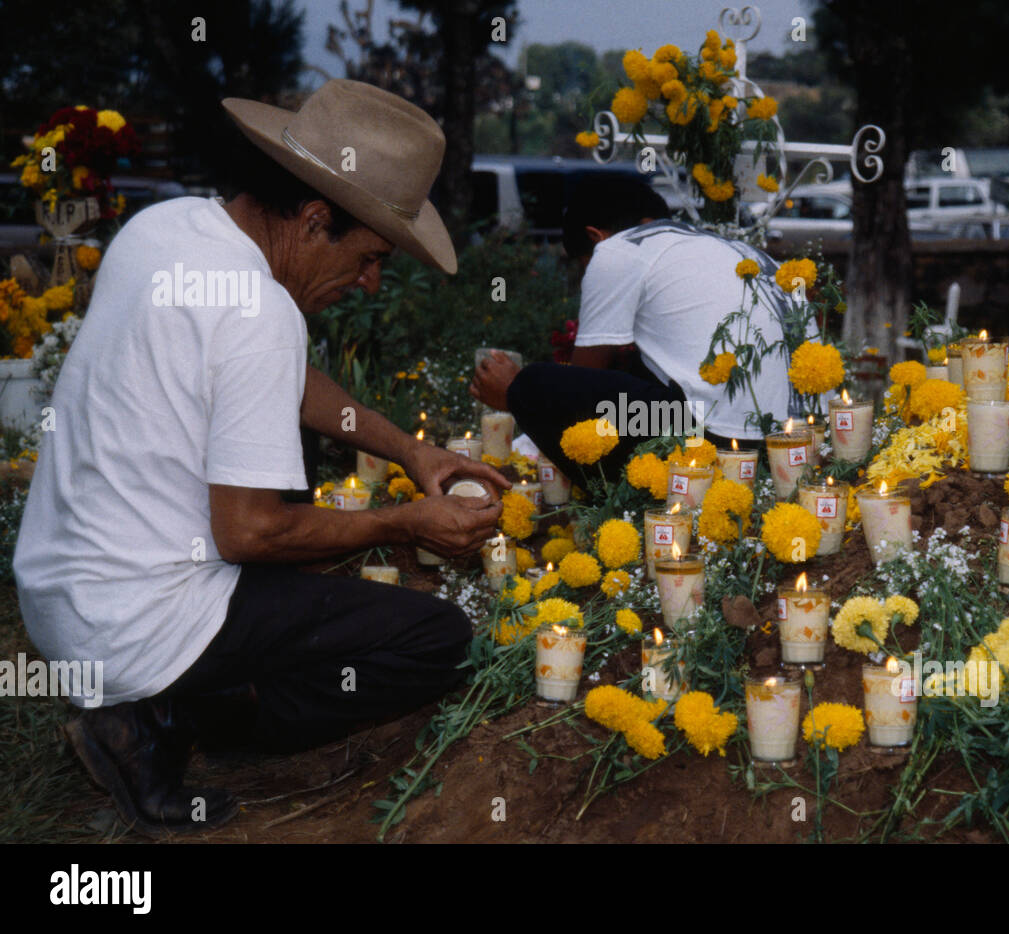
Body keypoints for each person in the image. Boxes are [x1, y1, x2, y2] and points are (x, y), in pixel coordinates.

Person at [13, 79, 509, 837]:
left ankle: (155, 702)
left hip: (61, 599)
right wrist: (406, 522)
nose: (369, 281)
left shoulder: (170, 228)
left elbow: (270, 372)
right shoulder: (262, 312)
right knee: (435, 639)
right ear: (314, 220)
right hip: (143, 623)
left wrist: (408, 450)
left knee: (314, 577)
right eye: (370, 256)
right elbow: (250, 533)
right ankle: (166, 720)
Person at [471, 176, 802, 485]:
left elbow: (579, 384)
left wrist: (516, 393)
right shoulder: (727, 248)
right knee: (637, 372)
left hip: (715, 440)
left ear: (594, 237)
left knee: (539, 382)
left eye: (583, 265)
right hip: (800, 441)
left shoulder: (617, 250)